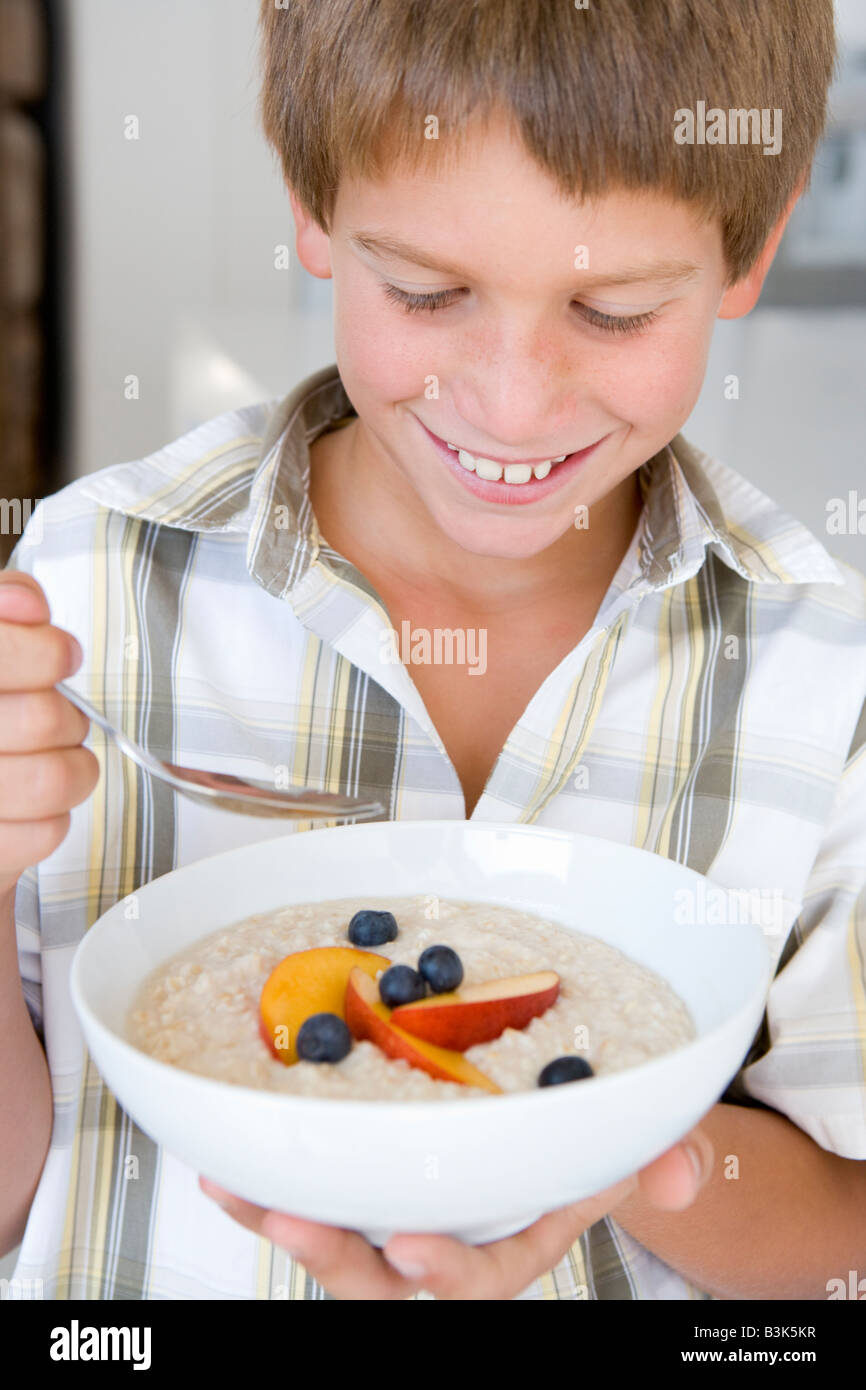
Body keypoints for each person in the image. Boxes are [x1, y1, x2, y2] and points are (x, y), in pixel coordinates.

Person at [1, 0, 864, 1301]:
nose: (511, 401)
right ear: (307, 200)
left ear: (751, 243)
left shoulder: (822, 662)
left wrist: (585, 1123)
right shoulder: (88, 585)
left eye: (614, 310)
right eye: (425, 292)